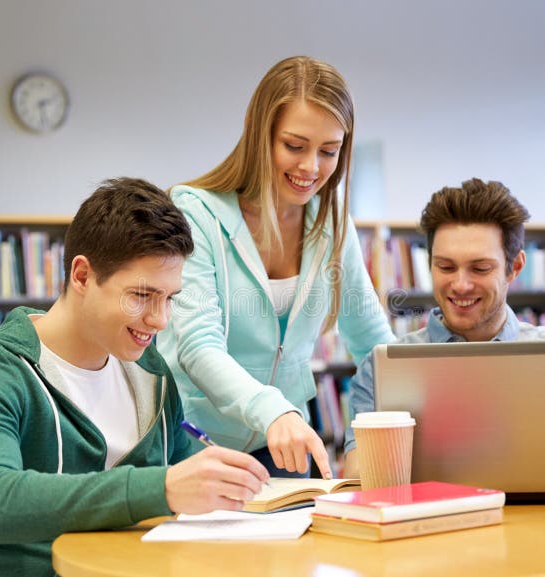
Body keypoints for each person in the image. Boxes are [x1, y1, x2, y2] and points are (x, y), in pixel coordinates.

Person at [0, 178, 270, 577]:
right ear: (82, 275)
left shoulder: (151, 373)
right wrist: (162, 488)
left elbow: (183, 486)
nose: (160, 320)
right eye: (141, 296)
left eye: (169, 298)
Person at [157, 56, 396, 479]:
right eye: (295, 146)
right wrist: (273, 411)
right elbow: (198, 345)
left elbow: (373, 343)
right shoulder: (196, 213)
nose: (311, 167)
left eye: (329, 151)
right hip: (193, 441)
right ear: (259, 135)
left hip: (282, 447)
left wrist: (388, 421)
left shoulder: (333, 223)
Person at [343, 178, 545, 495]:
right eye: (445, 267)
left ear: (514, 267)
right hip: (430, 526)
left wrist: (540, 466)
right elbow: (354, 481)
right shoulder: (381, 370)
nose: (460, 285)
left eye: (480, 268)